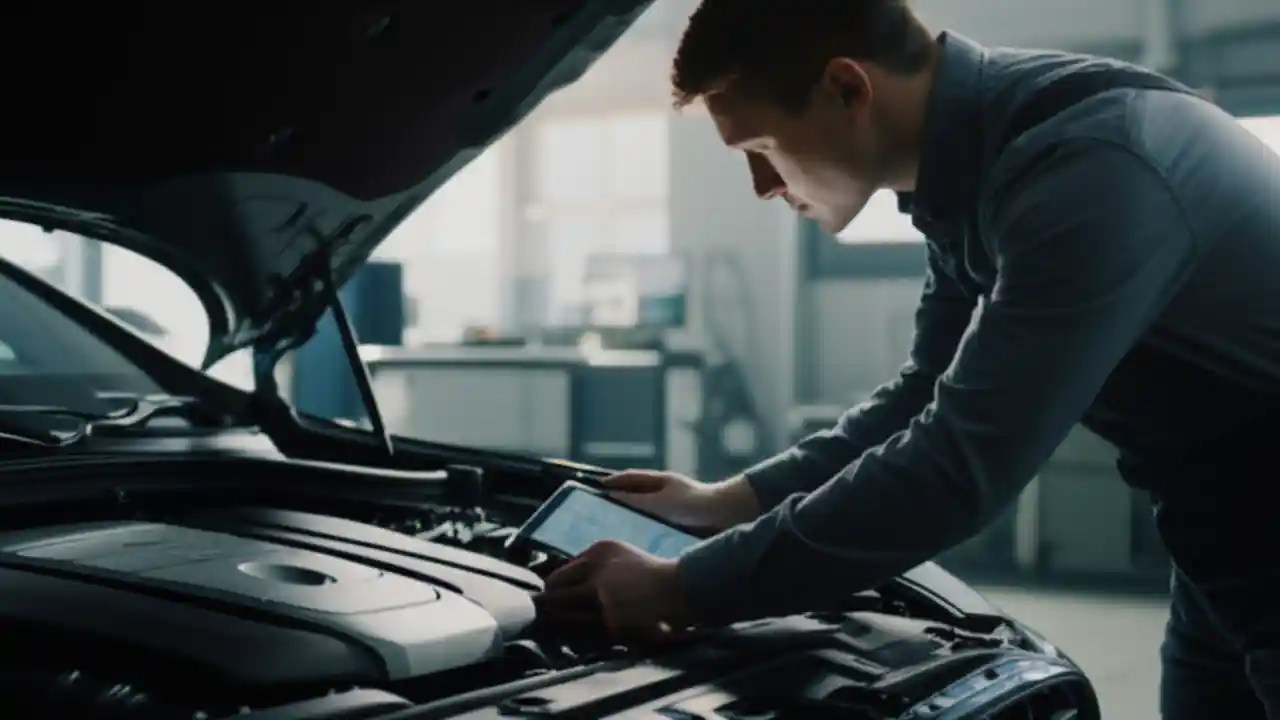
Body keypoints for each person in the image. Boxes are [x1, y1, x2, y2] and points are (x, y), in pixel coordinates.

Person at [533, 1, 1280, 717]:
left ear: (845, 88)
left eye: (760, 149)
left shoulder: (1087, 171)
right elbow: (924, 395)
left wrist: (681, 589)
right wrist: (725, 500)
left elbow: (955, 468)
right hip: (1218, 531)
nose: (761, 187)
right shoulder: (983, 159)